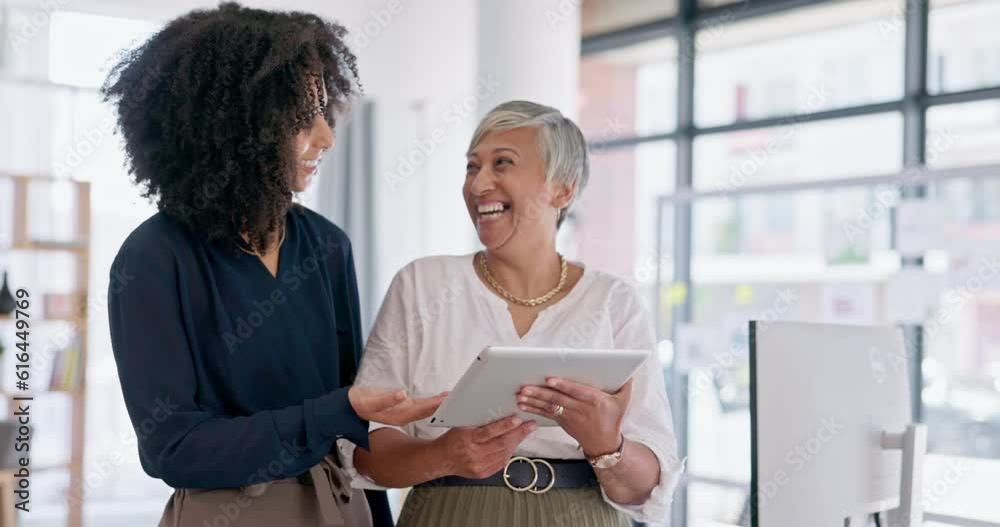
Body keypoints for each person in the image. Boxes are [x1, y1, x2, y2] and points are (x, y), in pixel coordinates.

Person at [102, 3, 443, 525]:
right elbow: (174, 448)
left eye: (325, 113)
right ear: (237, 125)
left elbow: (356, 423)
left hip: (343, 501)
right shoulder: (155, 258)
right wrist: (339, 410)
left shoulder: (327, 245)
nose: (326, 137)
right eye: (301, 119)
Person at [347, 101, 684, 526]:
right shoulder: (421, 285)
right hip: (451, 514)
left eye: (502, 163)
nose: (478, 184)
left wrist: (605, 444)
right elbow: (365, 449)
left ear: (563, 188)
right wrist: (442, 455)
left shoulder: (613, 301)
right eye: (472, 168)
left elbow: (648, 487)